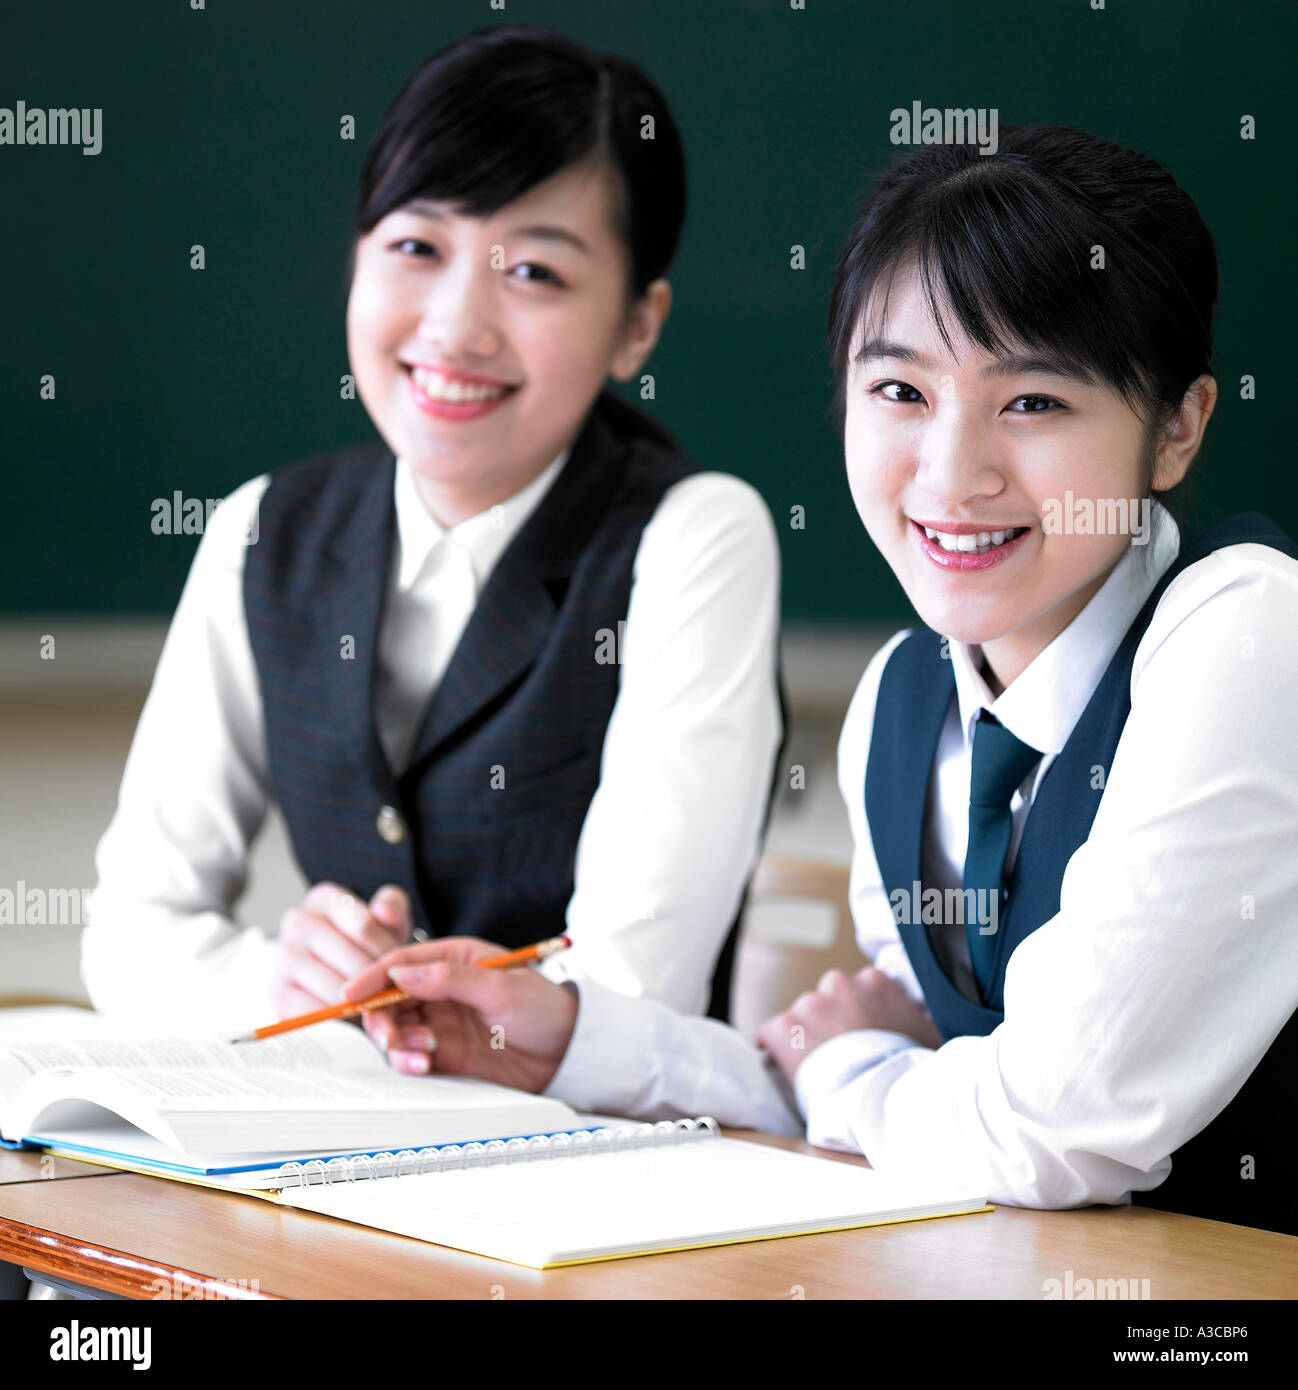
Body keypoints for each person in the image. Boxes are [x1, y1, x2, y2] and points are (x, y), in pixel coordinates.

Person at [344, 124, 1298, 1234]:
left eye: (1031, 402)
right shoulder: (903, 708)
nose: (952, 474)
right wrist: (554, 1033)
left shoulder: (1247, 636)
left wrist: (846, 1061)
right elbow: (910, 1089)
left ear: (1176, 428)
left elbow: (1049, 1119)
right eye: (899, 392)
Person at [81, 25, 783, 1044]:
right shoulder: (258, 531)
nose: (456, 325)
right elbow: (131, 933)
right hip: (320, 1160)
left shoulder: (691, 538)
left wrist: (407, 1004)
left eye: (534, 272)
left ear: (638, 324)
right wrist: (287, 981)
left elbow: (636, 987)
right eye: (416, 247)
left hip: (598, 1171)